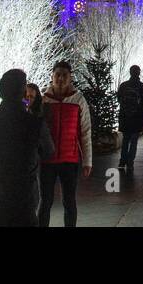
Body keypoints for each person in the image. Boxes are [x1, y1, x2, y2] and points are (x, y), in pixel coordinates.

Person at [0, 69, 55, 226]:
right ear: (22, 93)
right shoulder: (34, 124)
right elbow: (48, 151)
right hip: (23, 200)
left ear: (1, 91)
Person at [40, 61, 93, 227]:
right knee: (45, 202)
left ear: (70, 78)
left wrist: (87, 161)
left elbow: (85, 132)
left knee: (69, 202)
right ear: (52, 76)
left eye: (64, 75)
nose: (61, 78)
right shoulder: (44, 100)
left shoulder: (78, 100)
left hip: (69, 160)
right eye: (57, 75)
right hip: (46, 160)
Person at [116, 64, 143, 173]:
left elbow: (119, 99)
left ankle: (122, 161)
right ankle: (130, 163)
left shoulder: (123, 85)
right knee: (134, 140)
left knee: (125, 139)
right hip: (137, 117)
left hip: (125, 116)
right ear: (139, 73)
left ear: (130, 72)